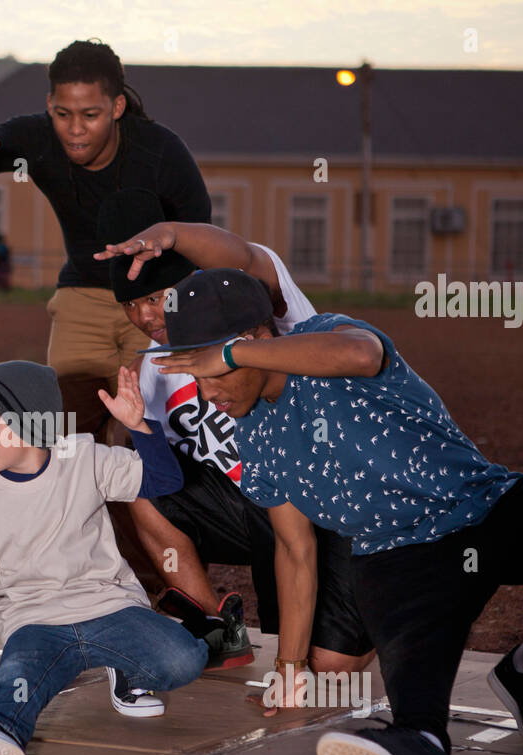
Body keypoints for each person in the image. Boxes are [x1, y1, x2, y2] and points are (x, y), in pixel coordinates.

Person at [148, 268, 523, 755]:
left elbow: (361, 356)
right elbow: (295, 549)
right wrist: (288, 670)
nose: (207, 397)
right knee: (418, 718)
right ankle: (422, 745)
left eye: (211, 375)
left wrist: (232, 358)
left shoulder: (327, 336)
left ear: (253, 341)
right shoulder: (255, 437)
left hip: (486, 510)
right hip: (398, 565)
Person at [94, 193, 372, 701]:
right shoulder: (155, 365)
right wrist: (135, 428)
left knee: (331, 669)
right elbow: (161, 476)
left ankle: (403, 596)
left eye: (157, 298)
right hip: (258, 502)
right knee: (139, 486)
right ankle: (214, 626)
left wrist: (173, 233)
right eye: (131, 305)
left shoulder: (264, 320)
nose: (145, 315)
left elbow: (244, 259)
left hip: (332, 506)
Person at [0, 361, 209, 755]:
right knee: (17, 681)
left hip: (111, 608)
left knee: (183, 660)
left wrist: (141, 428)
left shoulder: (82, 457)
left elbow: (164, 481)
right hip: (37, 625)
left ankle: (124, 670)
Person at [0, 39, 210, 440]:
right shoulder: (39, 139)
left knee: (152, 429)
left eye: (90, 114)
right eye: (63, 113)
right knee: (65, 434)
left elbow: (201, 236)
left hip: (157, 301)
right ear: (50, 104)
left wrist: (172, 310)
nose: (75, 129)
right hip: (82, 295)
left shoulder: (161, 152)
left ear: (116, 108)